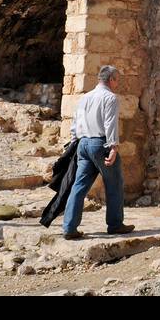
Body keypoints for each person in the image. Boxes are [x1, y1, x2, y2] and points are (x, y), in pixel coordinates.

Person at [62, 64, 134, 240]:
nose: (118, 83)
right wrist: (113, 147)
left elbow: (76, 123)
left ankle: (69, 227)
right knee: (114, 183)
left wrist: (75, 143)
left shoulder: (85, 97)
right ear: (111, 80)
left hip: (83, 143)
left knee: (79, 185)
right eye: (117, 80)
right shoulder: (110, 98)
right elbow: (110, 124)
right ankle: (115, 224)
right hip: (100, 143)